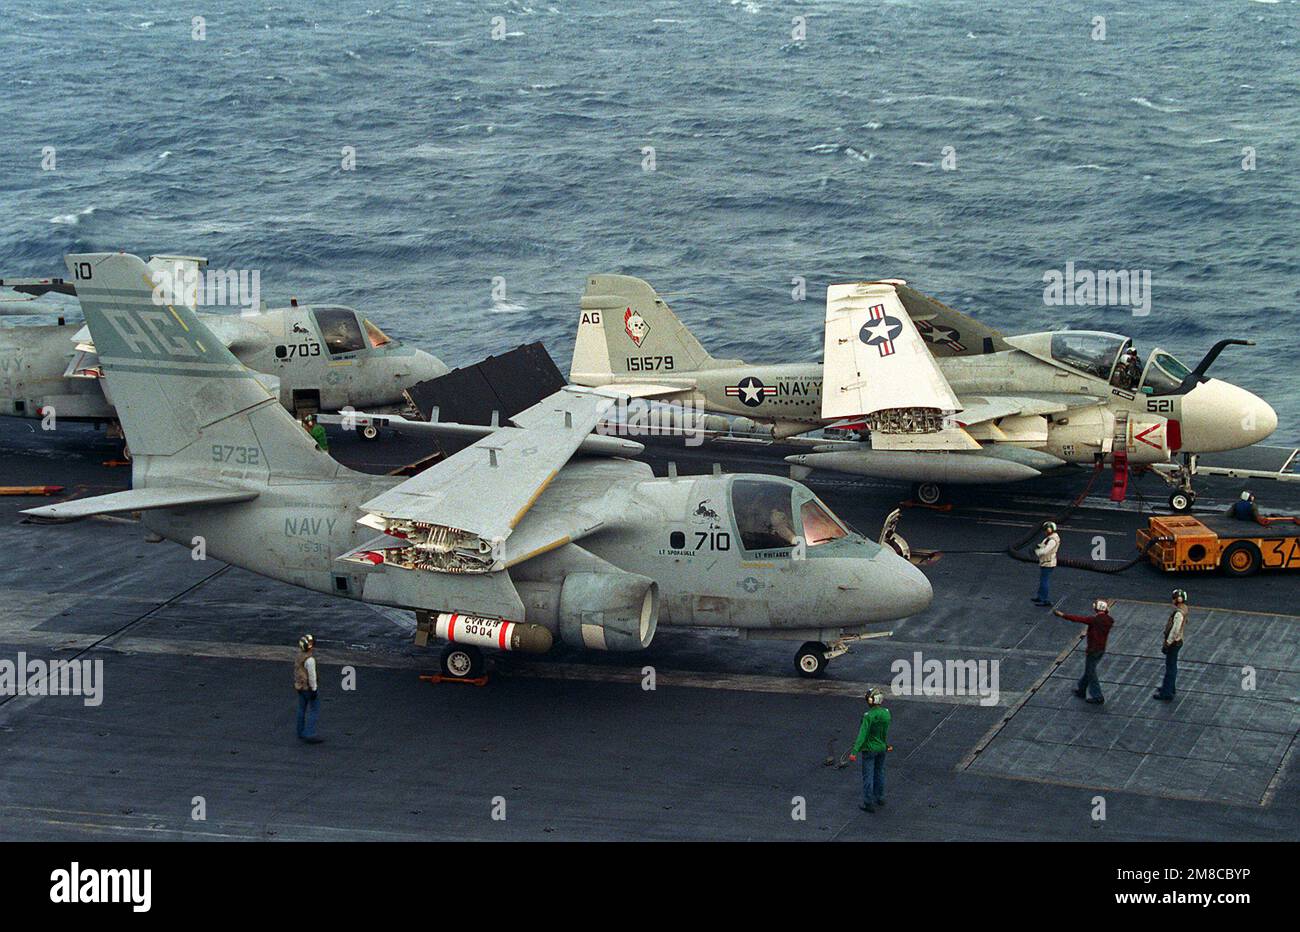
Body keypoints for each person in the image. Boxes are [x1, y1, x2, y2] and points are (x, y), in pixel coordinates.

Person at [1054, 599, 1114, 704]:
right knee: (1089, 670)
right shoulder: (1108, 620)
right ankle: (1081, 689)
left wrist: (1063, 615)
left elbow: (1078, 619)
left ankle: (1097, 696)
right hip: (1101, 648)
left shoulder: (1094, 620)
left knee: (1091, 672)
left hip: (1093, 649)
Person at [848, 687, 892, 812]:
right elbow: (884, 732)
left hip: (870, 749)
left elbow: (862, 735)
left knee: (868, 776)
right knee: (880, 772)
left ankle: (868, 802)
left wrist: (854, 752)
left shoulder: (868, 716)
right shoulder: (887, 713)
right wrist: (885, 744)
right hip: (882, 748)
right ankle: (880, 797)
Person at [1153, 590, 1188, 701]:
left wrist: (1168, 643)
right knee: (1172, 666)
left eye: (1174, 598)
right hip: (1178, 641)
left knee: (1170, 667)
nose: (1172, 600)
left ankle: (1166, 693)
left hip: (1174, 643)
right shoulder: (1184, 608)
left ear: (1178, 599)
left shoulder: (1178, 613)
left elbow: (1175, 630)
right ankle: (1169, 687)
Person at [294, 634, 323, 743]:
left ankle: (300, 731)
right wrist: (314, 689)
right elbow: (312, 677)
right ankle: (310, 733)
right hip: (308, 688)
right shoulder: (310, 660)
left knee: (301, 709)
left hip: (300, 686)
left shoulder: (299, 656)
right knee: (314, 710)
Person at [1031, 521, 1061, 606]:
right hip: (1046, 561)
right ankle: (1040, 597)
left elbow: (1045, 551)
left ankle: (1044, 599)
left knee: (1044, 581)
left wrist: (1036, 551)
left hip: (1048, 562)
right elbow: (1044, 545)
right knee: (1042, 580)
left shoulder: (1052, 540)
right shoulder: (1050, 537)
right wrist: (1038, 546)